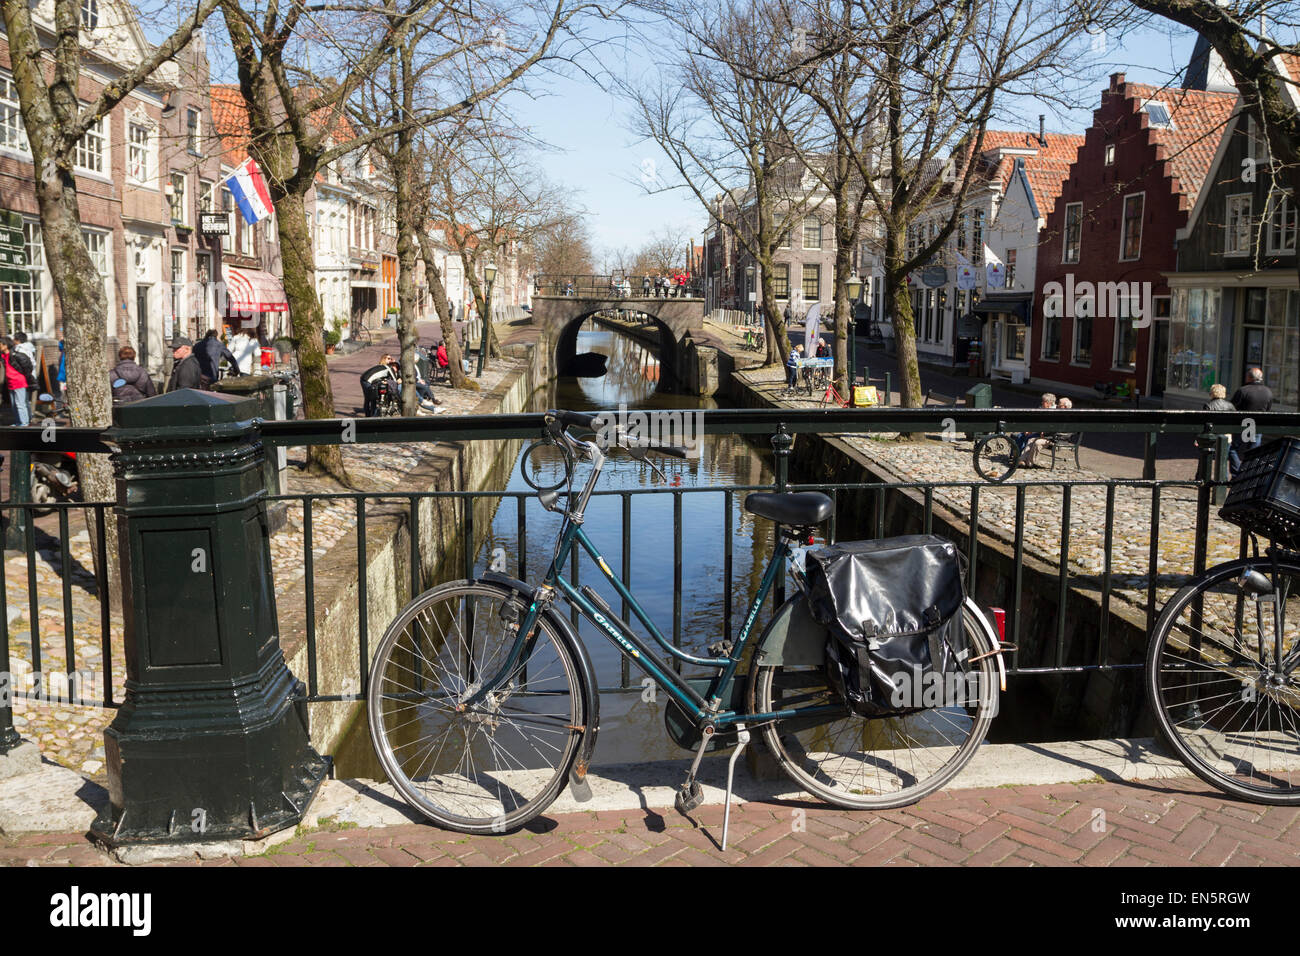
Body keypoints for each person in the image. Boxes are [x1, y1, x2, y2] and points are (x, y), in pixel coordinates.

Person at [1229, 367, 1273, 476]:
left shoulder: (1243, 390)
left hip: (1243, 424)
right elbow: (1268, 409)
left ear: (1249, 377)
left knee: (1232, 449)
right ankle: (1248, 475)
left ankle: (1238, 473)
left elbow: (1232, 408)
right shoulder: (1268, 392)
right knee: (1253, 452)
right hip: (1258, 425)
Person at [1018, 393, 1058, 467]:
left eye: (1043, 401)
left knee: (1032, 440)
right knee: (1024, 436)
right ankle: (1021, 459)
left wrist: (1044, 432)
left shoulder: (1055, 412)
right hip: (1040, 433)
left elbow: (1053, 427)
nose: (1042, 403)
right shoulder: (1042, 408)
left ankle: (1029, 462)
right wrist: (1029, 429)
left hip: (1049, 437)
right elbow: (1035, 422)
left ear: (1049, 403)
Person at [0, 338, 31, 425]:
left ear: (6, 345)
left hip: (19, 382)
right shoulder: (3, 356)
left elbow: (26, 367)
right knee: (14, 405)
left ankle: (24, 423)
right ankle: (18, 422)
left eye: (0, 344)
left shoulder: (14, 355)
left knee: (20, 404)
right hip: (10, 383)